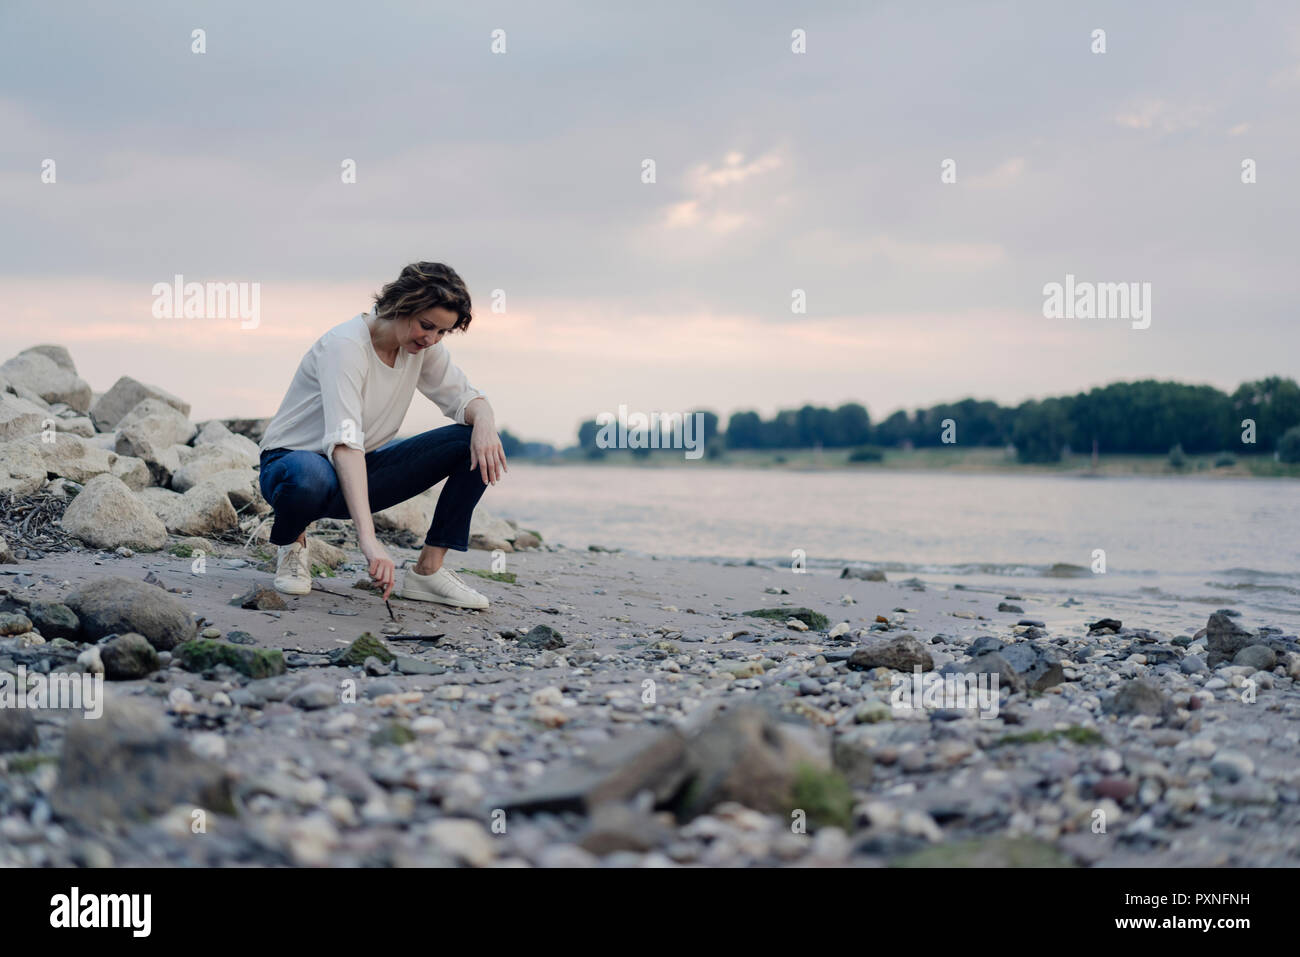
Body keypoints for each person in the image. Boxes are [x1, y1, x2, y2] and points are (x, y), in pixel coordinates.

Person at [256, 262, 507, 607]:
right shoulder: (345, 346)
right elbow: (344, 444)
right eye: (426, 325)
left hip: (359, 467)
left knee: (472, 443)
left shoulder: (423, 348)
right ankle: (292, 545)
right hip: (292, 466)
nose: (431, 339)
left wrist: (486, 421)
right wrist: (369, 541)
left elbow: (464, 397)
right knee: (309, 476)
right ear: (402, 305)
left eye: (442, 332)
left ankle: (427, 573)